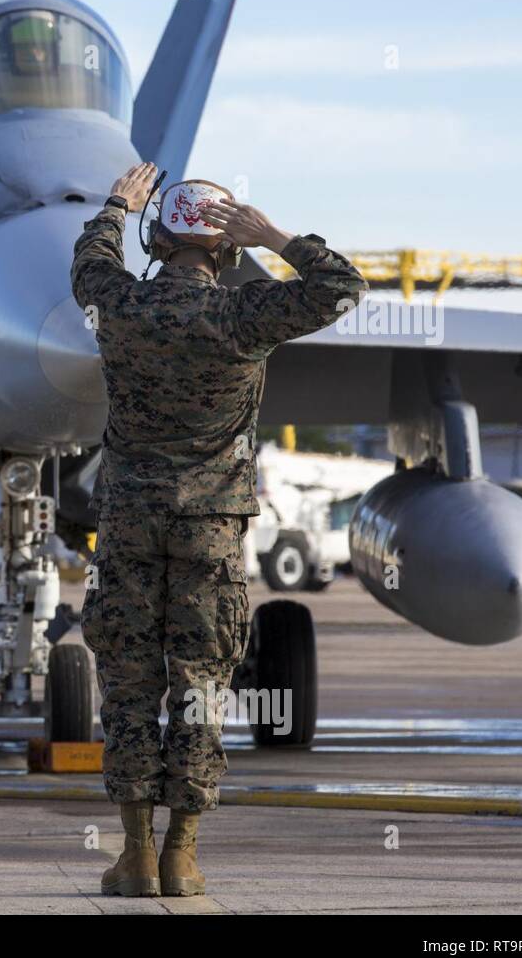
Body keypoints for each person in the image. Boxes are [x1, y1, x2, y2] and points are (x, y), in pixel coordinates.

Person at [71, 162, 367, 897]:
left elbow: (89, 267)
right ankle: (183, 854)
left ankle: (134, 856)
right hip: (211, 531)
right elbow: (342, 287)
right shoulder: (245, 315)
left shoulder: (123, 308)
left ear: (159, 239)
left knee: (131, 682)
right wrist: (272, 235)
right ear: (225, 250)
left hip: (131, 525)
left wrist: (115, 205)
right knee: (200, 684)